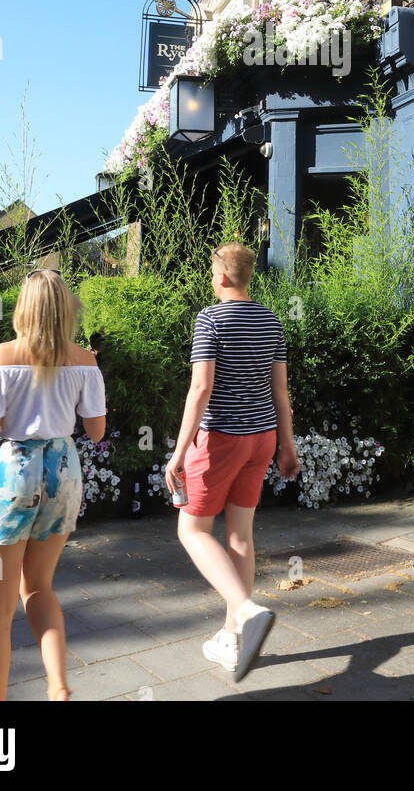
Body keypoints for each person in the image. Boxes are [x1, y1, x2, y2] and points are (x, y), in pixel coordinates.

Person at [0, 269, 106, 702]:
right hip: (62, 474)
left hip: (11, 479)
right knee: (39, 588)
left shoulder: (3, 356)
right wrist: (87, 368)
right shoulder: (85, 362)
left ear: (24, 309)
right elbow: (95, 432)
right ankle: (57, 686)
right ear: (65, 311)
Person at [165, 242, 300, 682]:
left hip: (221, 439)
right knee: (240, 534)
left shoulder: (210, 319)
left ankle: (244, 610)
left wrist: (180, 450)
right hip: (261, 438)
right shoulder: (271, 320)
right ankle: (232, 638)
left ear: (222, 276)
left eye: (210, 270)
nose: (210, 277)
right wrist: (288, 445)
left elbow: (200, 389)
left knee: (192, 529)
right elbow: (281, 393)